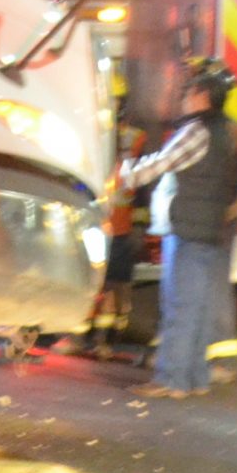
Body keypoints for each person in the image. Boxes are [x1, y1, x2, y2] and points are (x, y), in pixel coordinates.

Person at [123, 63, 237, 398]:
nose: (184, 99)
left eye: (188, 93)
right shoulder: (225, 132)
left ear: (203, 96)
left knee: (180, 307)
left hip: (188, 230)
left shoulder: (196, 131)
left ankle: (171, 379)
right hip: (210, 231)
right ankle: (195, 379)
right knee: (199, 309)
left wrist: (125, 174)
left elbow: (162, 163)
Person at [83, 124, 149, 356]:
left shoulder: (132, 144)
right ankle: (96, 338)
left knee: (114, 286)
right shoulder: (103, 147)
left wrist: (138, 228)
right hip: (104, 229)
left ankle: (107, 339)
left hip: (120, 231)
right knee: (101, 284)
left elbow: (140, 194)